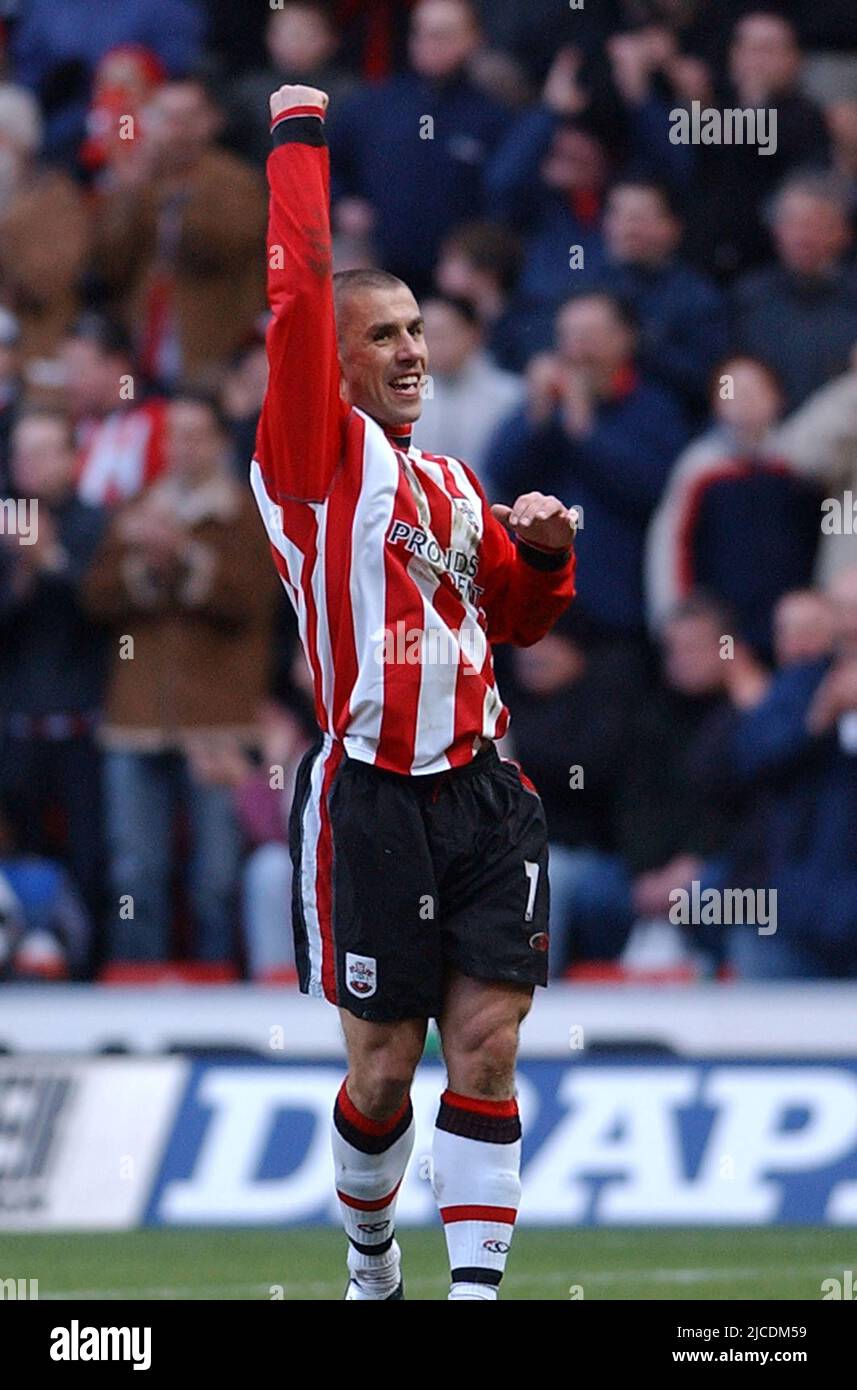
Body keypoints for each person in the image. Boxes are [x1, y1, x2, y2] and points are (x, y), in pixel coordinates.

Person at [252, 82, 577, 1302]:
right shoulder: (308, 458)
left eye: (417, 334)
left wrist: (542, 554)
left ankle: (477, 1296)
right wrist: (298, 129)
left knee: (485, 1047)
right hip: (370, 801)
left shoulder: (447, 481)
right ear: (326, 366)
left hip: (483, 787)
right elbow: (295, 284)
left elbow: (516, 621)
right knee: (384, 1071)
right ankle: (371, 1254)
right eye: (382, 335)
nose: (410, 352)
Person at [82, 392, 276, 966]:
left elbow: (252, 601)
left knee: (215, 877)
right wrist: (145, 562)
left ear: (220, 441)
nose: (182, 448)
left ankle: (215, 992)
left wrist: (185, 556)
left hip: (219, 719)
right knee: (134, 871)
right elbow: (96, 599)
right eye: (174, 436)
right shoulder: (137, 509)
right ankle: (137, 988)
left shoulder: (245, 513)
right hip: (135, 718)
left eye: (196, 435)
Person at [486, 291, 689, 639]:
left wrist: (584, 430)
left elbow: (652, 491)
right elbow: (500, 472)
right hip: (537, 600)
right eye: (567, 337)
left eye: (589, 338)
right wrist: (539, 414)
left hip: (616, 610)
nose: (575, 352)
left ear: (625, 338)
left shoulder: (656, 408)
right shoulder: (545, 406)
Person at [0, 409, 109, 946]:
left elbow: (104, 612)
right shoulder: (4, 523)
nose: (31, 465)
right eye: (22, 453)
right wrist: (19, 574)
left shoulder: (96, 521)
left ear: (72, 458)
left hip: (83, 726)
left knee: (94, 857)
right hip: (16, 728)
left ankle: (91, 969)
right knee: (18, 853)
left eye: (45, 452)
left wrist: (49, 562)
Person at [91, 78, 267, 391]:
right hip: (144, 336)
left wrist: (170, 197)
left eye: (187, 117)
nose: (176, 128)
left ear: (212, 121)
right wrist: (129, 194)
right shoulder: (141, 178)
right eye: (166, 117)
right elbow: (110, 261)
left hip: (213, 340)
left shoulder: (236, 180)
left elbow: (223, 248)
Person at [329, 0, 510, 295]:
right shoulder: (372, 104)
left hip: (451, 283)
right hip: (375, 269)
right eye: (420, 33)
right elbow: (330, 165)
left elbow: (501, 199)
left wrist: (474, 255)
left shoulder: (491, 117)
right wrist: (342, 203)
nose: (428, 44)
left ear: (473, 40)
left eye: (442, 34)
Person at [646, 355, 822, 657]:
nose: (744, 402)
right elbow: (671, 545)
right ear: (715, 402)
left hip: (792, 627)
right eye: (731, 391)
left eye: (755, 391)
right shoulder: (699, 468)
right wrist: (672, 618)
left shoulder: (800, 462)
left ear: (777, 397)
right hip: (724, 631)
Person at [731, 172, 857, 409]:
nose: (803, 236)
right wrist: (730, 402)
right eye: (792, 223)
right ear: (775, 230)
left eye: (816, 225)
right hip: (761, 433)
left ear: (843, 234)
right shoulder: (749, 297)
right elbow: (725, 376)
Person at [412, 295, 523, 476]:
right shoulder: (404, 398)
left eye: (441, 334)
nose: (431, 345)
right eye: (422, 335)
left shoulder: (510, 395)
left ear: (474, 334)